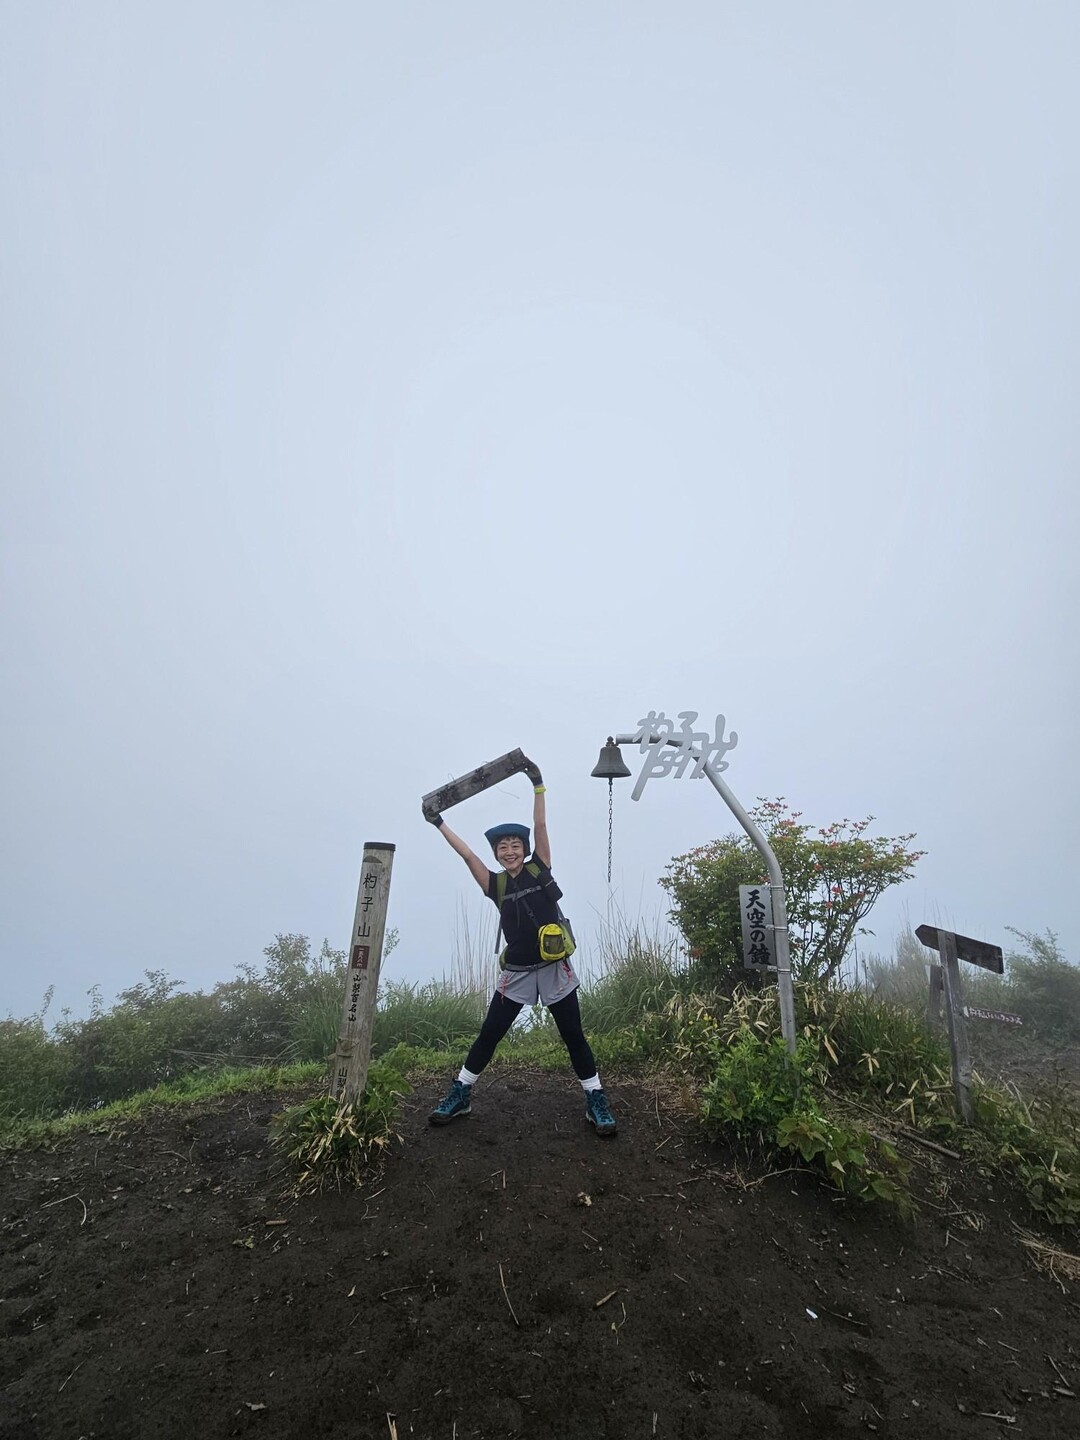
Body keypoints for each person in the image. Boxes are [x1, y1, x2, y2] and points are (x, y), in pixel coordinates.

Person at [423, 758, 617, 1136]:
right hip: (517, 973)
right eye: (502, 847)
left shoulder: (538, 867)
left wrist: (538, 784)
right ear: (496, 854)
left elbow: (541, 825)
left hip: (554, 968)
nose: (508, 851)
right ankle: (460, 1093)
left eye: (514, 845)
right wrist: (438, 822)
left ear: (525, 849)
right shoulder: (494, 885)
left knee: (573, 1035)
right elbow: (467, 855)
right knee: (490, 1033)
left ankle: (596, 1100)